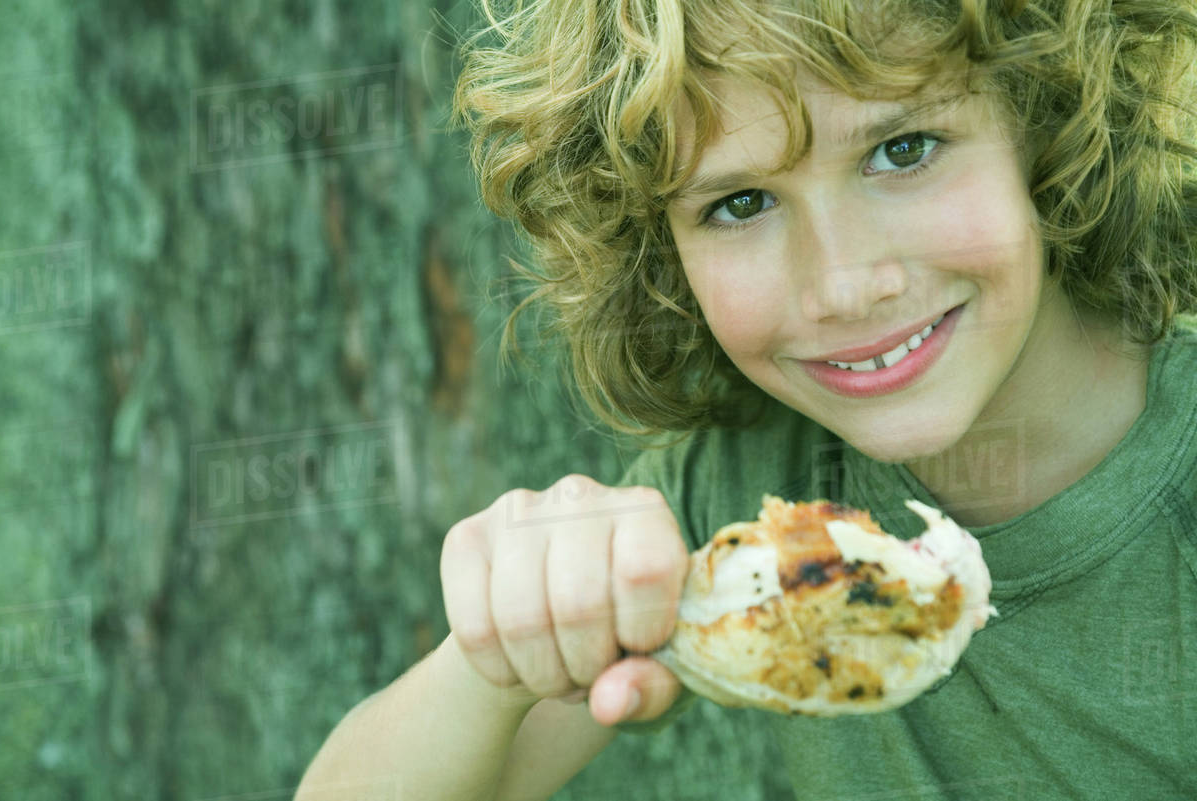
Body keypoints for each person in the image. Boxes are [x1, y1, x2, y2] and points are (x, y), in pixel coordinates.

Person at [296, 1, 1197, 798]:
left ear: (1046, 119)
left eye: (902, 149)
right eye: (742, 202)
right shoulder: (749, 512)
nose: (841, 285)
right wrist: (504, 647)